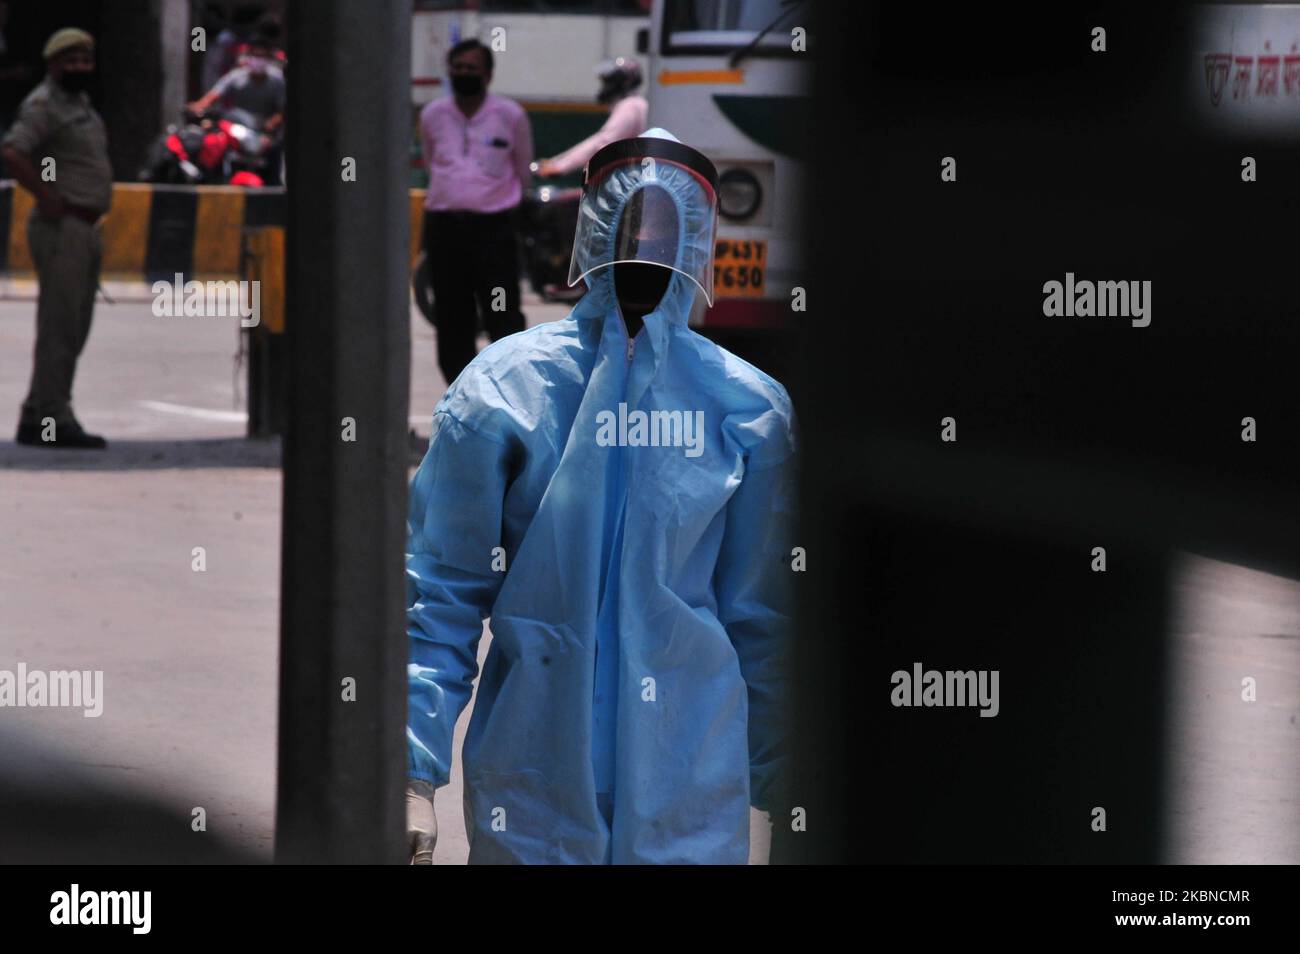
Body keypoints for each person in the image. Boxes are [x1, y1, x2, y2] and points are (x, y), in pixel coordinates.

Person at [405, 128, 797, 864]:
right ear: (594, 231)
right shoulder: (505, 393)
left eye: (665, 226)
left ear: (695, 241)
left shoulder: (745, 410)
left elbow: (765, 617)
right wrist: (407, 769)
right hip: (534, 785)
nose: (645, 244)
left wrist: (788, 783)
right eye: (631, 221)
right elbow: (439, 590)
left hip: (690, 784)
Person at [4, 28, 112, 449]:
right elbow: (14, 152)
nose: (80, 68)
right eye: (71, 61)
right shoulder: (44, 105)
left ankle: (36, 415)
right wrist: (47, 194)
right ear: (53, 65)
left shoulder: (78, 104)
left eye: (85, 60)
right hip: (62, 227)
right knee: (61, 329)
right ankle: (53, 418)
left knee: (73, 327)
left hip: (82, 226)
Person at [418, 37, 532, 387]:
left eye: (471, 68)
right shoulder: (433, 115)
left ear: (488, 74)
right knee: (452, 317)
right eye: (458, 68)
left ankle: (509, 395)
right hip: (445, 228)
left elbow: (523, 170)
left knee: (502, 314)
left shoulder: (510, 116)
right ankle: (462, 396)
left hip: (493, 230)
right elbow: (430, 162)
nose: (463, 74)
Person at [535, 57, 648, 178]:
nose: (605, 87)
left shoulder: (629, 106)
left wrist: (561, 166)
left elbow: (604, 144)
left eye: (609, 82)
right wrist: (557, 162)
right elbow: (599, 139)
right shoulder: (637, 104)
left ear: (622, 83)